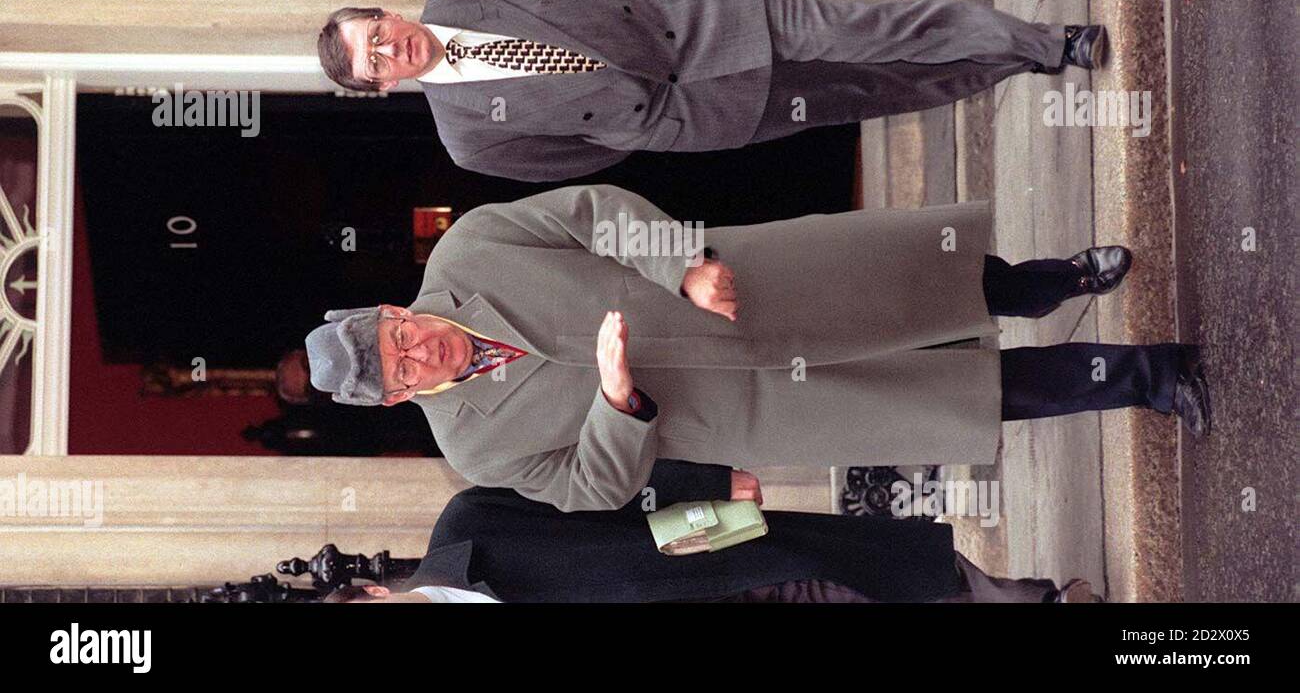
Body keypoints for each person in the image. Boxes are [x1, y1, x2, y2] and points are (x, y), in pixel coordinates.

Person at [303, 185, 1211, 512]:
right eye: (400, 370)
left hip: (745, 290)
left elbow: (591, 213)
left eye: (398, 334)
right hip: (764, 409)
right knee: (969, 394)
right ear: (394, 400)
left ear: (391, 306)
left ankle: (1057, 281)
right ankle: (1150, 376)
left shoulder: (468, 250)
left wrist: (684, 265)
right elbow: (592, 489)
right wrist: (616, 405)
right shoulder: (473, 449)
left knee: (938, 286)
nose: (415, 351)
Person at [317, 0, 1103, 182]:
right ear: (381, 87)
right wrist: (649, 123)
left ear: (385, 11)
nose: (390, 48)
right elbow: (575, 157)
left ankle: (1049, 44)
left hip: (704, 19)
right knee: (873, 92)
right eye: (375, 63)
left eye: (376, 32)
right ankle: (1007, 63)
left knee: (875, 35)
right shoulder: (468, 138)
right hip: (697, 115)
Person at [325, 460, 1100, 603]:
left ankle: (1025, 598)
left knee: (854, 571)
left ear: (367, 591)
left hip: (695, 550)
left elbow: (597, 485)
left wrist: (704, 493)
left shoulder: (467, 528)